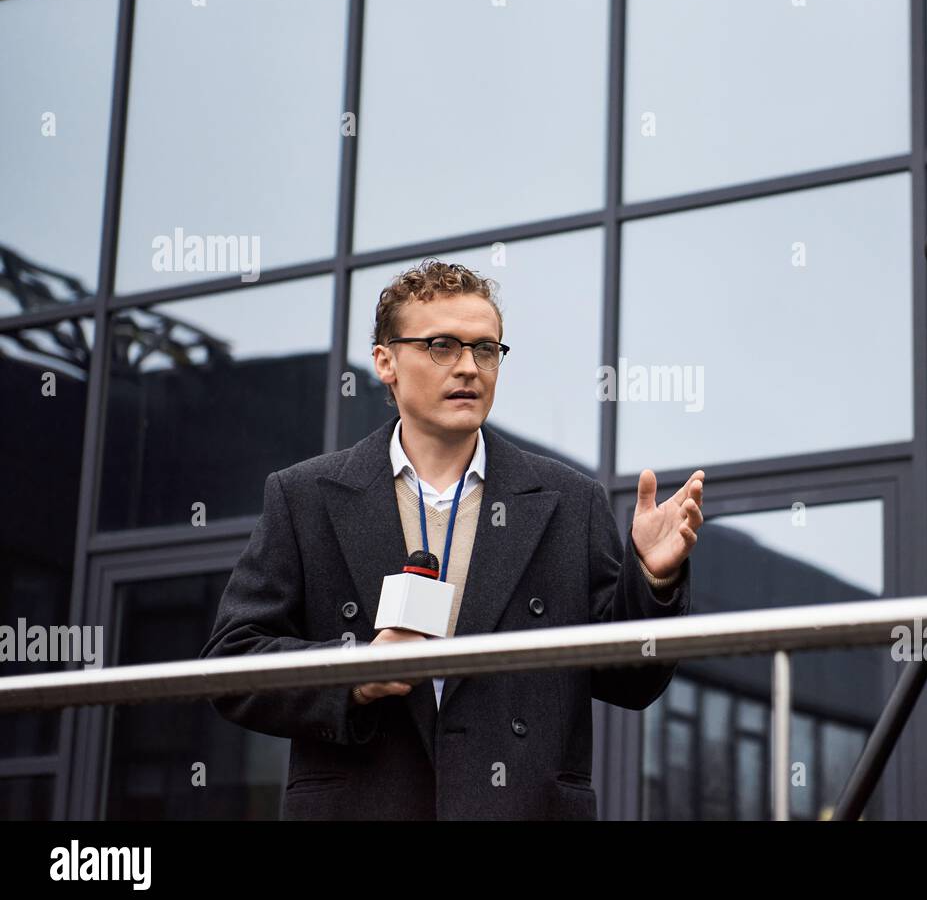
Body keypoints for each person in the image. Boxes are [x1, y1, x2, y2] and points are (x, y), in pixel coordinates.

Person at [200, 258, 704, 819]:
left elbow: (631, 680)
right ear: (385, 362)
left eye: (485, 349)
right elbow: (232, 665)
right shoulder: (304, 497)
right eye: (442, 346)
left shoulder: (569, 500)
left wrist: (652, 577)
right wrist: (356, 672)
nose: (468, 367)